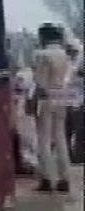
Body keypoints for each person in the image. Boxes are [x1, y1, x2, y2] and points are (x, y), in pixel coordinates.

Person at [31, 23, 75, 193]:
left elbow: (40, 81)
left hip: (46, 97)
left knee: (44, 140)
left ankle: (47, 179)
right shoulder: (64, 54)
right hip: (61, 96)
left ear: (44, 37)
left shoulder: (42, 54)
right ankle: (65, 179)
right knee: (61, 138)